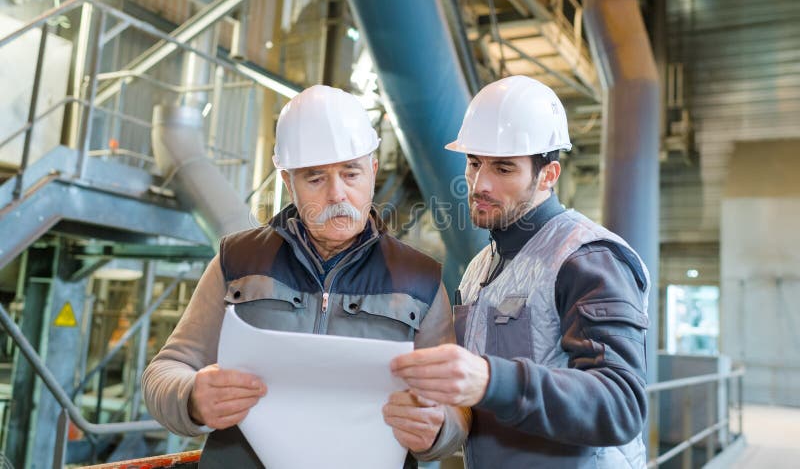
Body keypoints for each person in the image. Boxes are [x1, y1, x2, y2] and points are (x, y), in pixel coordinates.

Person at [143, 85, 468, 467]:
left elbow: (455, 406)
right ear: (287, 182)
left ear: (373, 171)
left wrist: (438, 428)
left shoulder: (421, 279)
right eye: (315, 179)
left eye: (351, 174)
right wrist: (192, 396)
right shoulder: (237, 260)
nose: (337, 194)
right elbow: (164, 371)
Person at [390, 76, 650, 468]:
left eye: (504, 169)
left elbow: (621, 404)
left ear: (548, 175)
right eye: (474, 163)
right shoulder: (478, 269)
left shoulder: (589, 258)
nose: (480, 184)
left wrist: (492, 380)